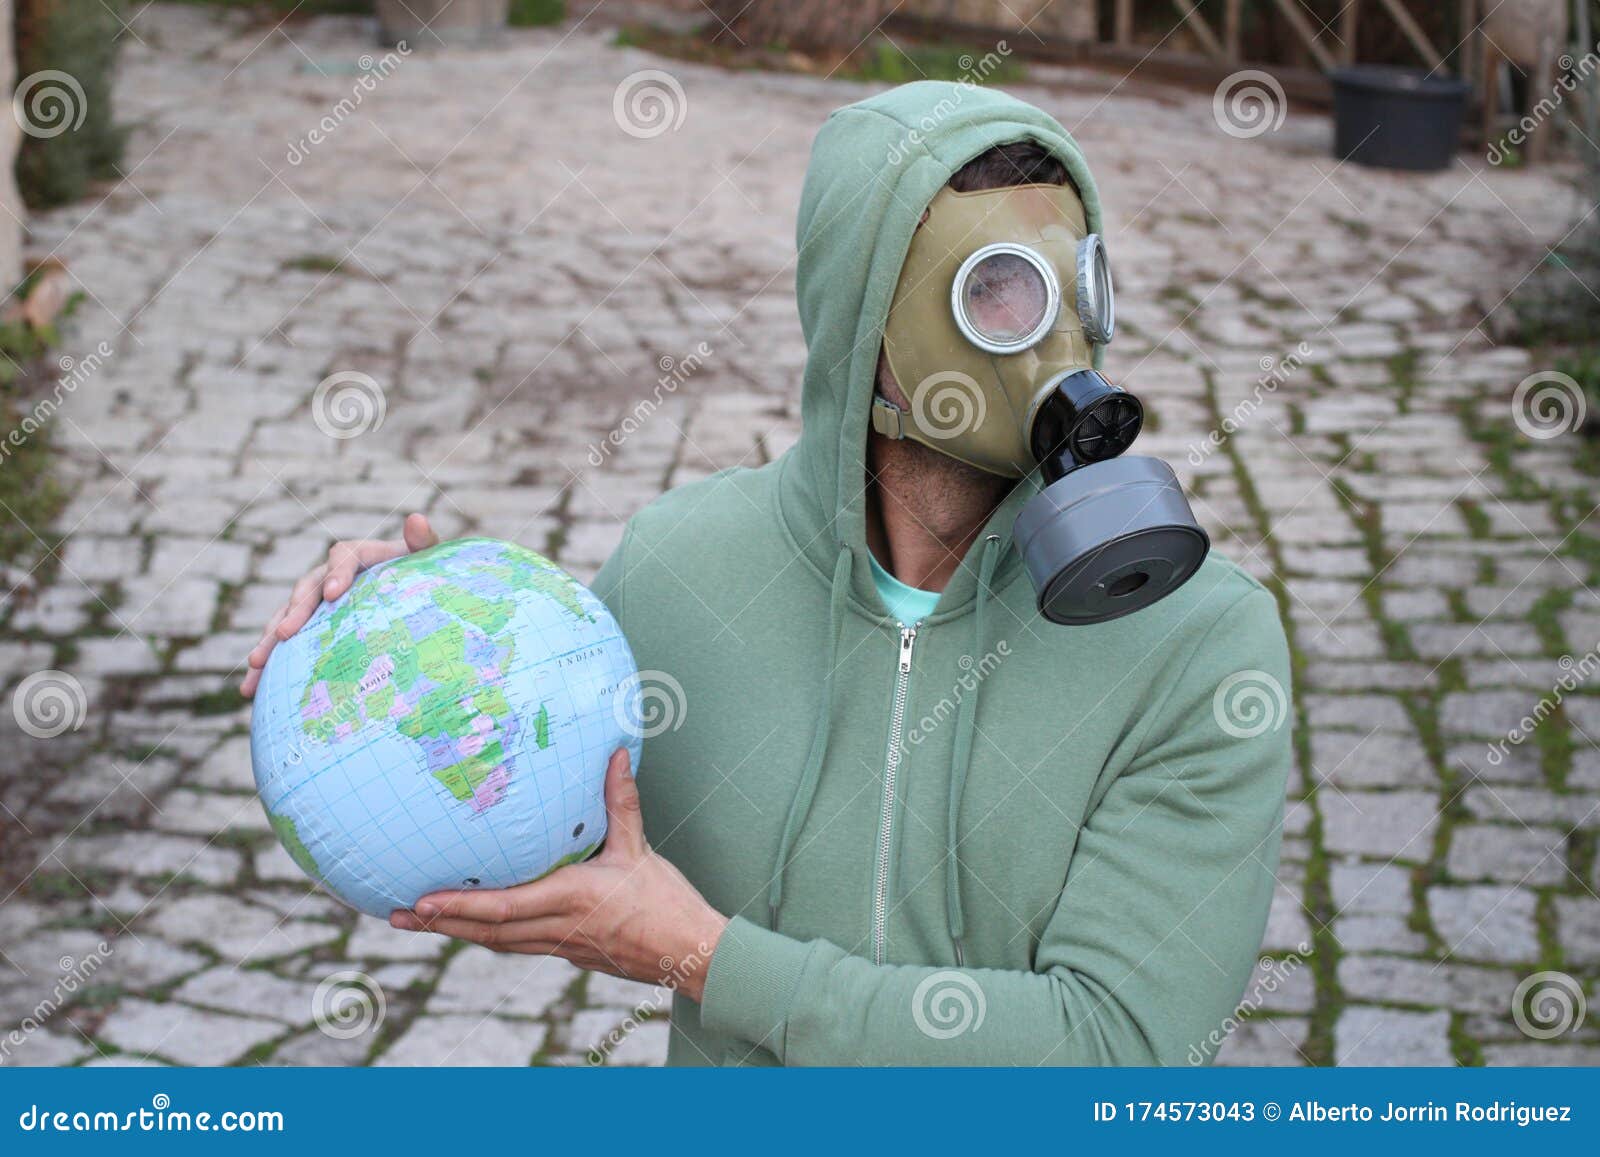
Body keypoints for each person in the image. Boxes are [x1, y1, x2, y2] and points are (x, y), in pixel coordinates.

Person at [242, 81, 1292, 1066]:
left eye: (1074, 287)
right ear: (860, 315)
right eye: (997, 292)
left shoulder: (1195, 639)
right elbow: (535, 836)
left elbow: (1115, 1052)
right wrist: (414, 641)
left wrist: (706, 959)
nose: (1056, 341)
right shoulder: (682, 572)